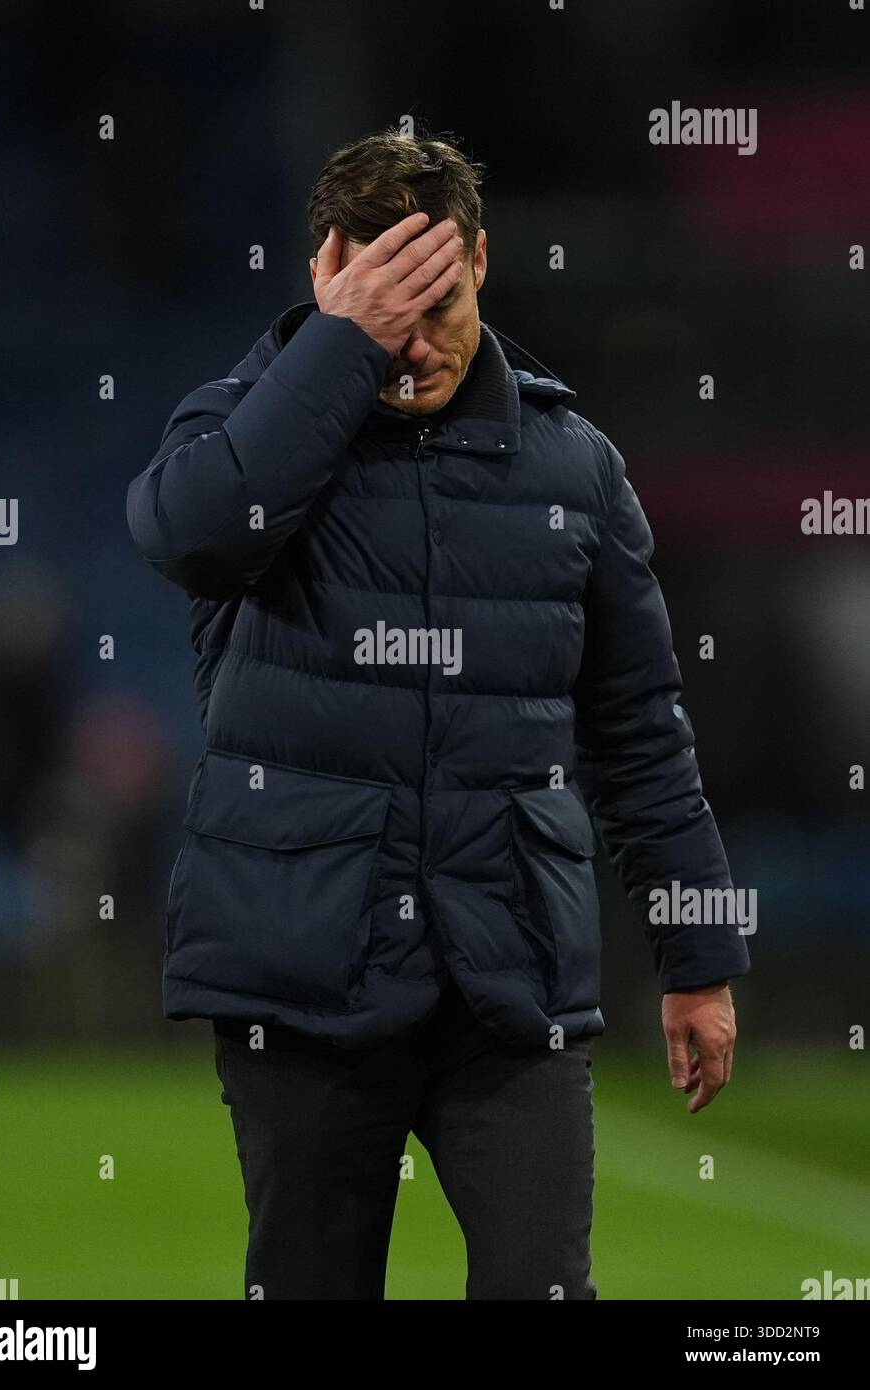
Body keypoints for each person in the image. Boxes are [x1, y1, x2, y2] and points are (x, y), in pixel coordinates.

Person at [126, 129, 751, 1300]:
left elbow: (640, 730)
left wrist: (699, 957)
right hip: (303, 974)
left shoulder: (574, 466)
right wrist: (334, 354)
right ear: (328, 277)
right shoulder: (246, 430)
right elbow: (189, 535)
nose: (413, 347)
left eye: (441, 300)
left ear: (483, 260)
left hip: (506, 981)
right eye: (384, 308)